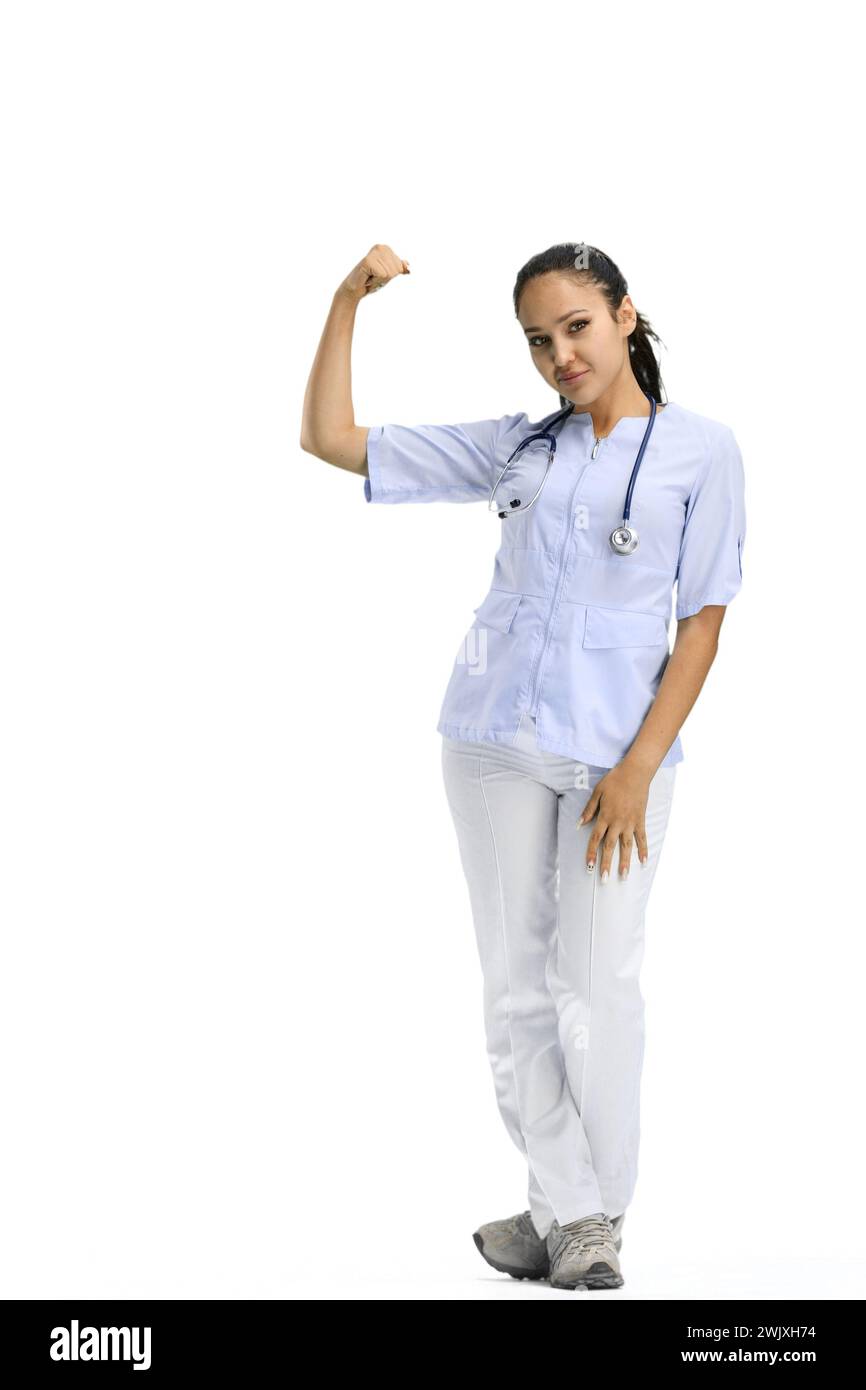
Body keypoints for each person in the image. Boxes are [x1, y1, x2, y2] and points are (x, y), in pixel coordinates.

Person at [300, 241, 746, 1291]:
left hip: (611, 761)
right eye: (538, 340)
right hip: (492, 739)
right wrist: (343, 301)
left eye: (576, 328)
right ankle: (571, 1217)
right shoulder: (519, 449)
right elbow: (326, 437)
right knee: (516, 992)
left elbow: (701, 624)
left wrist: (636, 766)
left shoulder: (702, 451)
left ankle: (580, 1209)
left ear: (624, 316)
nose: (558, 355)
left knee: (600, 986)